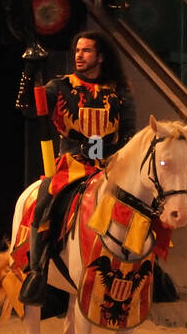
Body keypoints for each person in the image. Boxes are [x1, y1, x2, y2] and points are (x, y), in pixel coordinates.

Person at [18, 31, 137, 306]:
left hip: (110, 166)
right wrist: (29, 70)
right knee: (45, 200)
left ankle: (153, 269)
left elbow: (129, 134)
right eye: (77, 50)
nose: (79, 56)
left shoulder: (120, 91)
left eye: (86, 51)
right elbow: (27, 108)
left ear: (100, 57)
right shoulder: (60, 86)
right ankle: (36, 272)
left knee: (143, 201)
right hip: (72, 164)